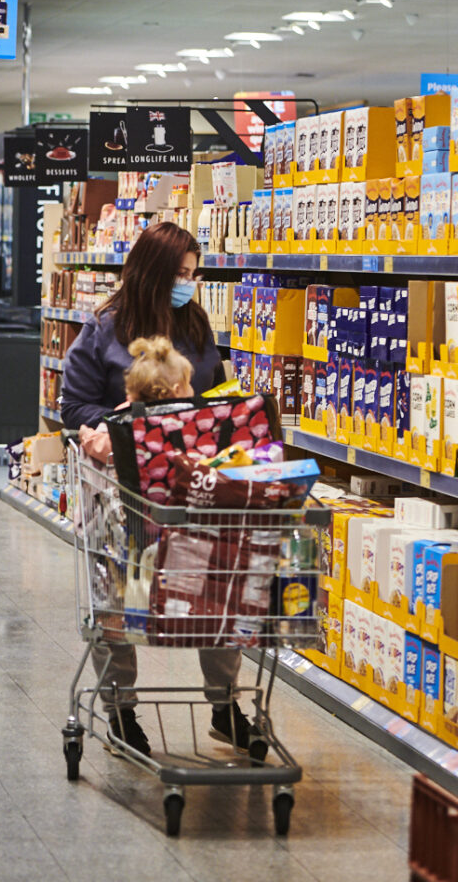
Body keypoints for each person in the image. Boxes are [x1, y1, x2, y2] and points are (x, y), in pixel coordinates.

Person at [60, 220, 262, 759]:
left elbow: (213, 391)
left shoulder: (195, 322)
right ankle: (120, 709)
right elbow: (73, 405)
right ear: (153, 272)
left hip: (189, 486)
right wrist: (124, 420)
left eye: (193, 274)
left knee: (214, 589)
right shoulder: (105, 327)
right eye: (181, 274)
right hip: (121, 492)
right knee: (117, 600)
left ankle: (225, 706)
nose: (189, 284)